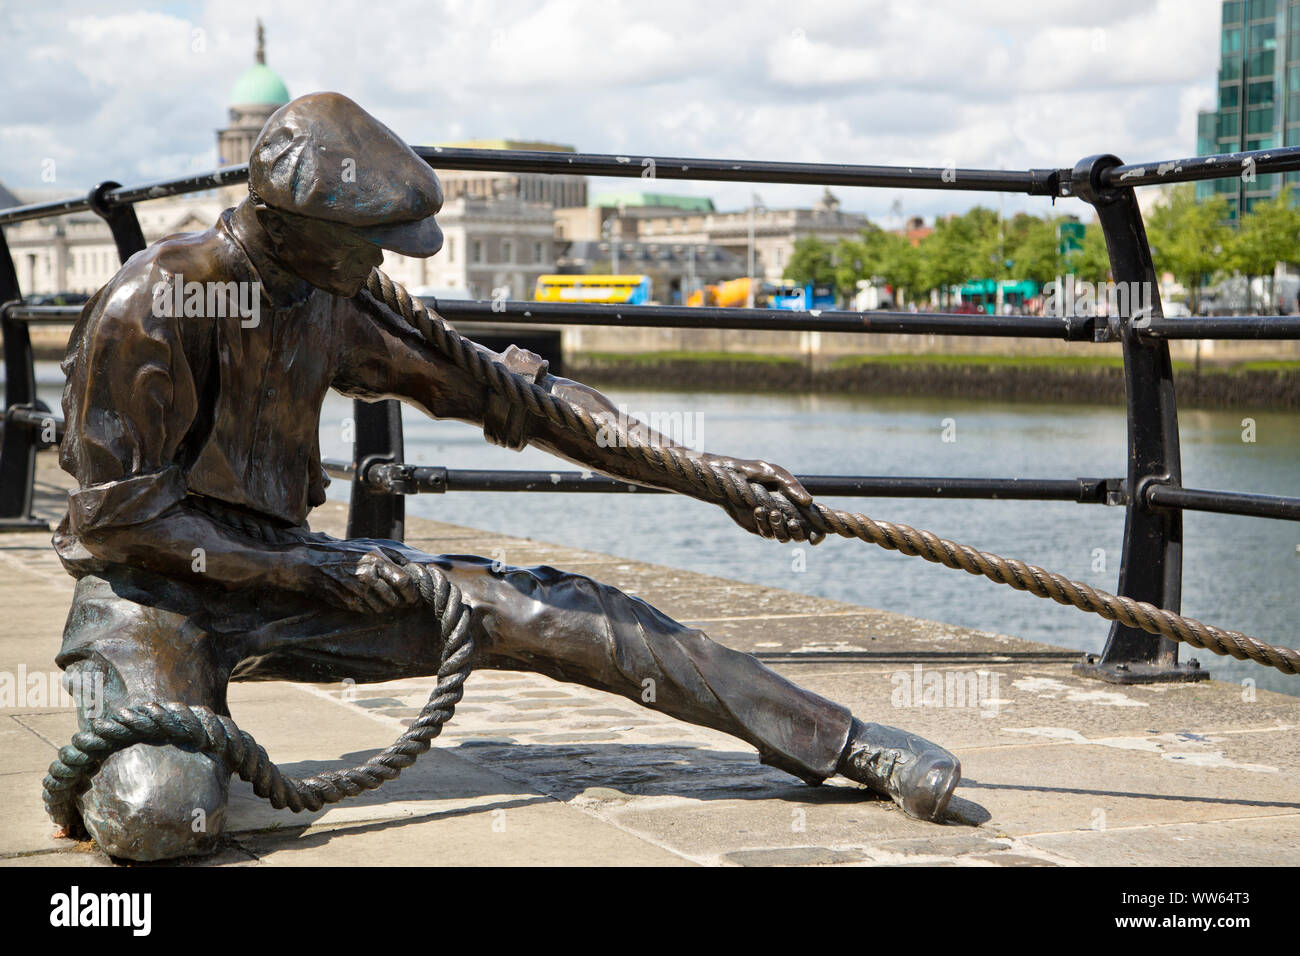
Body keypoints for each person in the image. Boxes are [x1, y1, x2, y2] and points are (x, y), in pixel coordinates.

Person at [54, 92, 960, 861]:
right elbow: (115, 529)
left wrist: (709, 475)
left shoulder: (335, 297)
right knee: (164, 819)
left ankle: (844, 743)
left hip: (287, 573)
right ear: (293, 224)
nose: (385, 262)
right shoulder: (155, 303)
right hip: (153, 597)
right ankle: (151, 712)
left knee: (559, 610)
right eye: (369, 241)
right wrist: (320, 570)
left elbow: (530, 404)